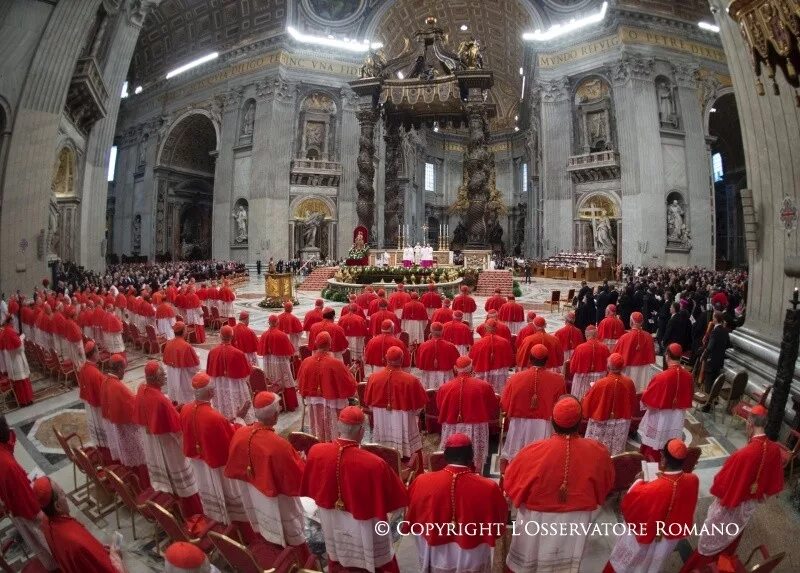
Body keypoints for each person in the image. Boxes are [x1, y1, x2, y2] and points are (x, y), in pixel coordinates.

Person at [503, 396, 614, 573]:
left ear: (553, 422)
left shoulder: (531, 451)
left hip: (536, 517)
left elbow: (510, 484)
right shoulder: (598, 452)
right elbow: (606, 484)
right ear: (580, 423)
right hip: (577, 518)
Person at [300, 406, 408, 572]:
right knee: (373, 556)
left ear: (338, 426)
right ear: (362, 431)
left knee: (337, 550)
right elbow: (397, 500)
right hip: (364, 523)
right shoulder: (374, 464)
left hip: (331, 518)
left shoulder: (316, 452)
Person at [679, 405, 784, 573]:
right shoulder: (774, 450)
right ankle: (724, 563)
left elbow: (720, 485)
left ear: (750, 423)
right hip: (748, 506)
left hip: (731, 505)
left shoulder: (742, 455)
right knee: (733, 535)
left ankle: (701, 566)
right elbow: (773, 481)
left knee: (713, 538)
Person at [405, 433, 507, 573]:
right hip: (472, 556)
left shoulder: (421, 481)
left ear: (445, 456)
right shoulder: (489, 488)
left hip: (435, 553)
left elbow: (412, 516)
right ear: (471, 456)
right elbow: (499, 523)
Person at [225, 392, 309, 557]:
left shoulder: (241, 434)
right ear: (275, 415)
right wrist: (301, 460)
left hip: (252, 494)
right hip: (276, 500)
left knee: (261, 525)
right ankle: (298, 559)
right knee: (288, 532)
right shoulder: (279, 445)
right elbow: (298, 476)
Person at [605, 439, 699, 573]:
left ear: (663, 459)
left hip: (645, 537)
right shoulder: (693, 479)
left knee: (630, 563)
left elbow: (628, 508)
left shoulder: (648, 489)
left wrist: (638, 480)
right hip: (668, 538)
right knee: (653, 564)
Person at [134, 361, 203, 518]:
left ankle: (173, 510)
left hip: (153, 443)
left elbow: (156, 417)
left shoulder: (142, 389)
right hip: (168, 446)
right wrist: (188, 448)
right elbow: (177, 431)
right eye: (162, 374)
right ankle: (192, 514)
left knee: (167, 478)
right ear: (155, 378)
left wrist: (174, 410)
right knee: (182, 480)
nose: (165, 376)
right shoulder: (160, 400)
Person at [179, 371, 248, 525]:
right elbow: (233, 437)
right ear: (211, 392)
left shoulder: (185, 410)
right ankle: (231, 523)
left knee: (207, 492)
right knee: (225, 496)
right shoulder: (214, 417)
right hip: (216, 466)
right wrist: (240, 419)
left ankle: (214, 518)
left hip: (198, 464)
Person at [0, 416, 58, 570]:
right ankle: (58, 565)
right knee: (44, 541)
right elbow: (27, 503)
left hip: (13, 506)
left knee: (36, 542)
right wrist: (42, 516)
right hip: (27, 511)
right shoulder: (8, 465)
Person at [32, 476, 124, 572]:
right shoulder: (76, 540)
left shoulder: (45, 522)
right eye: (61, 493)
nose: (65, 495)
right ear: (58, 506)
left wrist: (98, 549)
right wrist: (115, 555)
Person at [500, 344, 566, 463]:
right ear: (547, 361)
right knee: (542, 458)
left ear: (530, 359)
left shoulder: (515, 378)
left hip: (519, 423)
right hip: (544, 424)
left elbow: (504, 403)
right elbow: (561, 405)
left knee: (517, 456)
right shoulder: (558, 380)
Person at [364, 346, 427, 462]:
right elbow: (419, 407)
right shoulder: (411, 380)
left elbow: (369, 405)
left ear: (386, 358)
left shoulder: (373, 378)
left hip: (381, 419)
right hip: (404, 419)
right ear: (402, 359)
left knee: (383, 446)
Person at [437, 356, 497, 472]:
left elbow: (440, 406)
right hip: (476, 426)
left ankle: (452, 471)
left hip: (452, 425)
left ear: (455, 368)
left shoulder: (444, 387)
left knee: (454, 452)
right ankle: (476, 473)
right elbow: (492, 407)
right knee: (476, 456)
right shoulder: (484, 386)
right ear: (472, 368)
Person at [296, 331, 358, 441]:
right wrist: (350, 373)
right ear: (330, 344)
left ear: (316, 344)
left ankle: (319, 440)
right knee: (334, 430)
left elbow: (300, 383)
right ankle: (333, 442)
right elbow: (350, 386)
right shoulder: (336, 363)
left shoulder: (306, 362)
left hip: (314, 403)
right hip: (333, 402)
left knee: (317, 428)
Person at [100, 354, 149, 487]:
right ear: (119, 369)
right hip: (128, 429)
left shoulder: (106, 381)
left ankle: (132, 484)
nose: (124, 372)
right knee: (139, 459)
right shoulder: (118, 387)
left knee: (128, 457)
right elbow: (133, 408)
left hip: (118, 427)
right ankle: (143, 486)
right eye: (124, 369)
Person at [639, 343, 693, 462]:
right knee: (671, 442)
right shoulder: (689, 376)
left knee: (655, 443)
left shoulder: (661, 377)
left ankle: (652, 459)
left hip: (660, 416)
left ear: (667, 355)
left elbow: (649, 401)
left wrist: (644, 394)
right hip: (677, 417)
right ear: (681, 357)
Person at [582, 353, 637, 455]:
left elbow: (588, 404)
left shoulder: (600, 383)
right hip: (621, 423)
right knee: (616, 450)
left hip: (601, 422)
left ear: (608, 367)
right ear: (622, 367)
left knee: (596, 450)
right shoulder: (629, 383)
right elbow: (633, 403)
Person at [207, 325, 254, 423]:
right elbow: (246, 375)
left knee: (221, 409)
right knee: (237, 408)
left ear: (220, 336)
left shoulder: (212, 352)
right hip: (235, 387)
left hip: (219, 387)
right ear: (232, 337)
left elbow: (209, 374)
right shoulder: (239, 353)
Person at [77, 340, 111, 462]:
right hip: (98, 408)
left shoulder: (83, 368)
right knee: (103, 431)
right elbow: (104, 396)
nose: (99, 354)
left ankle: (100, 447)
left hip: (90, 405)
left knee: (97, 431)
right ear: (94, 354)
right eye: (97, 351)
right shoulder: (96, 374)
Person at [257, 315, 299, 411]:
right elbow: (289, 353)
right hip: (281, 363)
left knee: (271, 381)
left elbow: (262, 352)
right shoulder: (282, 335)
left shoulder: (264, 335)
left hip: (268, 363)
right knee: (286, 381)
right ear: (277, 322)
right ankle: (288, 405)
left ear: (269, 323)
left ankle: (272, 405)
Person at [612, 311, 656, 392]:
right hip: (644, 370)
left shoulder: (625, 337)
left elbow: (616, 355)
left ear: (631, 322)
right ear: (642, 322)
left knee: (629, 390)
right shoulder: (649, 337)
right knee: (642, 388)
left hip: (629, 370)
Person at [469, 318, 515, 393]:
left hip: (483, 371)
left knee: (484, 392)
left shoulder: (478, 343)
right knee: (499, 391)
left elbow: (472, 358)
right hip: (500, 372)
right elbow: (510, 357)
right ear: (496, 328)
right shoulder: (504, 342)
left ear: (485, 328)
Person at [162, 322, 201, 405]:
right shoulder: (186, 346)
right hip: (184, 379)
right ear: (183, 331)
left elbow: (166, 363)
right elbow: (195, 368)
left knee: (175, 398)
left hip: (172, 377)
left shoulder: (168, 343)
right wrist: (197, 357)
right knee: (186, 401)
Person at [569, 325, 611, 400]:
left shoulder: (580, 348)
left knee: (580, 399)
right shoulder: (604, 348)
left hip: (582, 380)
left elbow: (572, 368)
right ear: (597, 335)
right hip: (599, 380)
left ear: (586, 336)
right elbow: (609, 367)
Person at [0, 316, 34, 406]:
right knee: (22, 379)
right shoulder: (11, 332)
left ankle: (22, 400)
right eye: (12, 321)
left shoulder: (4, 331)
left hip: (10, 359)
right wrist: (21, 339)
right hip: (17, 359)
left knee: (18, 382)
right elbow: (19, 348)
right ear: (10, 322)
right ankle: (26, 400)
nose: (13, 323)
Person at [415, 322, 460, 389]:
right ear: (442, 331)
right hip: (445, 374)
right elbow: (457, 362)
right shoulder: (450, 346)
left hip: (428, 374)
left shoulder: (423, 346)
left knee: (429, 391)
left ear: (431, 331)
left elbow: (418, 363)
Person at [702, 310, 730, 395]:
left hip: (711, 361)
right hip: (719, 360)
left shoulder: (715, 331)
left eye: (713, 317)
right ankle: (713, 398)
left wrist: (703, 356)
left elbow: (710, 347)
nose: (712, 319)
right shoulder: (725, 331)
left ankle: (707, 400)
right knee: (715, 383)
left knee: (708, 383)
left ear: (716, 319)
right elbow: (728, 344)